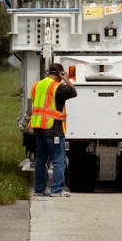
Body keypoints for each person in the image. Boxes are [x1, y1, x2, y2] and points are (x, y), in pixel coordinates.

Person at [28, 61, 78, 197]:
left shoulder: (36, 85)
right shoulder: (56, 87)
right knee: (58, 160)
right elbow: (73, 92)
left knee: (41, 160)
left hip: (39, 128)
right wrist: (67, 79)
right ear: (59, 74)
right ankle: (56, 190)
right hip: (53, 129)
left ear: (48, 73)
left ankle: (39, 190)